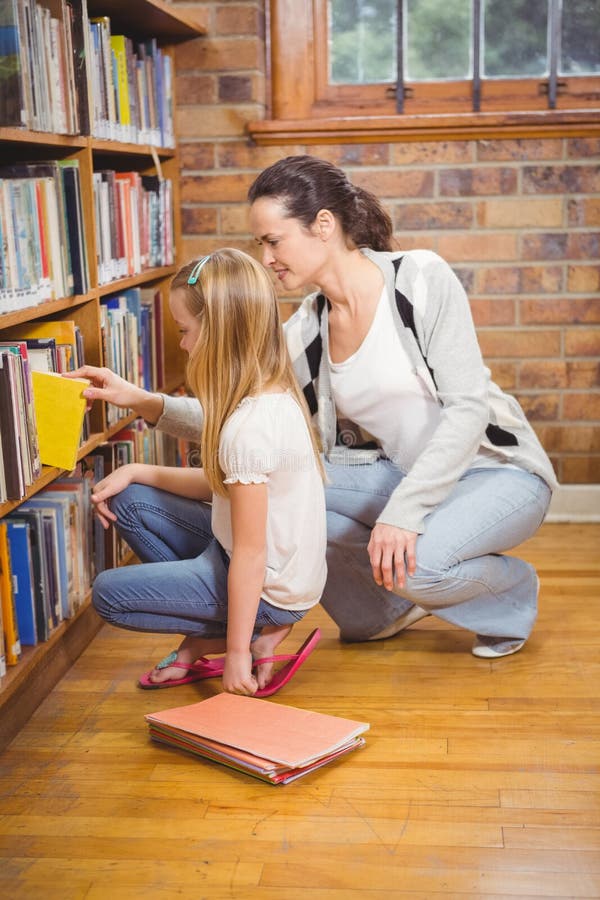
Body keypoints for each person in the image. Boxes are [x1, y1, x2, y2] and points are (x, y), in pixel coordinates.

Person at [74, 155, 557, 660]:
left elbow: (467, 410)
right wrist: (147, 403)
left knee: (422, 562)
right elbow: (247, 422)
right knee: (295, 500)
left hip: (495, 470)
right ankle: (382, 611)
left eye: (273, 240)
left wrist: (404, 515)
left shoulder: (420, 279)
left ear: (323, 225)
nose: (265, 258)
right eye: (260, 244)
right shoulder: (308, 328)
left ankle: (510, 594)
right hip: (400, 473)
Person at [90, 248, 326, 695]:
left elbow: (253, 553)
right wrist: (138, 469)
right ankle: (221, 617)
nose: (181, 344)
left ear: (219, 334)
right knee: (130, 498)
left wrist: (235, 655)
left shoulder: (249, 426)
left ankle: (228, 637)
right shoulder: (273, 394)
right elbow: (224, 491)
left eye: (185, 331)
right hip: (245, 555)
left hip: (267, 587)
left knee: (108, 593)